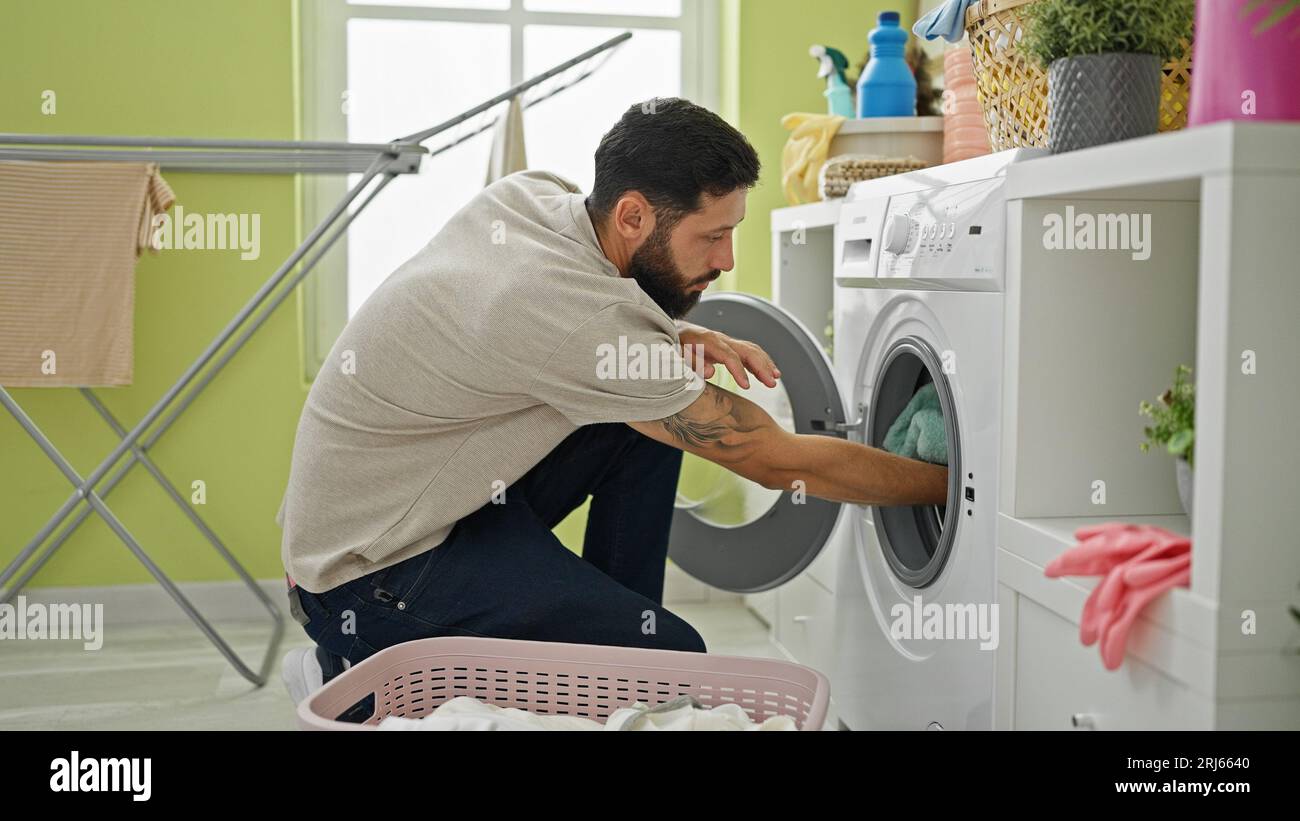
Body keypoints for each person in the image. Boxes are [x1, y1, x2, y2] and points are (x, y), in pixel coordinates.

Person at [279, 98, 947, 702]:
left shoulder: (534, 197)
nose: (729, 257)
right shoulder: (563, 316)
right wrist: (949, 486)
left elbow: (570, 320)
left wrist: (673, 332)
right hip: (368, 573)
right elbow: (775, 460)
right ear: (632, 214)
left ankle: (613, 650)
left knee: (639, 425)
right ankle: (357, 666)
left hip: (414, 507)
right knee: (674, 662)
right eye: (711, 236)